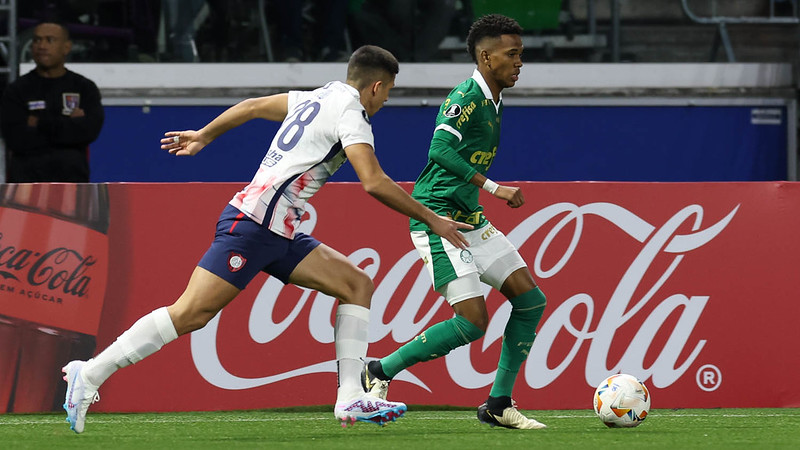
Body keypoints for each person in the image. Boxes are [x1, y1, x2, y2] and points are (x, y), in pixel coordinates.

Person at [60, 44, 472, 434]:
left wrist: (204, 135)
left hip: (279, 230)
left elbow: (252, 106)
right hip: (254, 226)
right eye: (389, 92)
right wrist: (432, 219)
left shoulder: (317, 96)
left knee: (356, 284)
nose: (385, 101)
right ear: (377, 86)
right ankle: (90, 372)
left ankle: (350, 397)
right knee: (190, 313)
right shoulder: (352, 114)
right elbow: (374, 181)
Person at [361, 15, 549, 430]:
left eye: (521, 54)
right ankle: (379, 370)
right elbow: (439, 150)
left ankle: (498, 404)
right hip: (437, 217)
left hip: (469, 219)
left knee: (531, 301)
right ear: (486, 57)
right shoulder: (466, 97)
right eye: (512, 54)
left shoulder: (494, 100)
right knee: (472, 321)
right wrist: (493, 187)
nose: (519, 62)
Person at [0, 21, 104, 182]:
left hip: (72, 183)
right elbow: (16, 139)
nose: (41, 46)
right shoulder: (17, 90)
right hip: (26, 184)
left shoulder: (84, 87)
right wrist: (67, 126)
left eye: (50, 40)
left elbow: (88, 131)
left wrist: (38, 123)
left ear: (66, 47)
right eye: (37, 40)